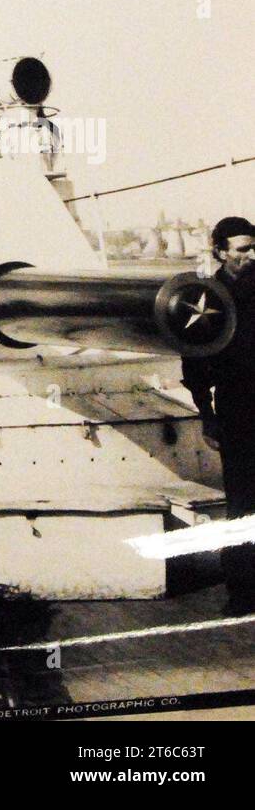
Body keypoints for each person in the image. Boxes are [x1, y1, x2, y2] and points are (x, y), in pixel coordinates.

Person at [183, 216, 255, 616]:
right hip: (238, 412)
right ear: (221, 252)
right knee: (243, 503)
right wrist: (207, 418)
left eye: (253, 247)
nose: (250, 256)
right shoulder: (206, 298)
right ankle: (243, 591)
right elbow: (193, 362)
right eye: (242, 249)